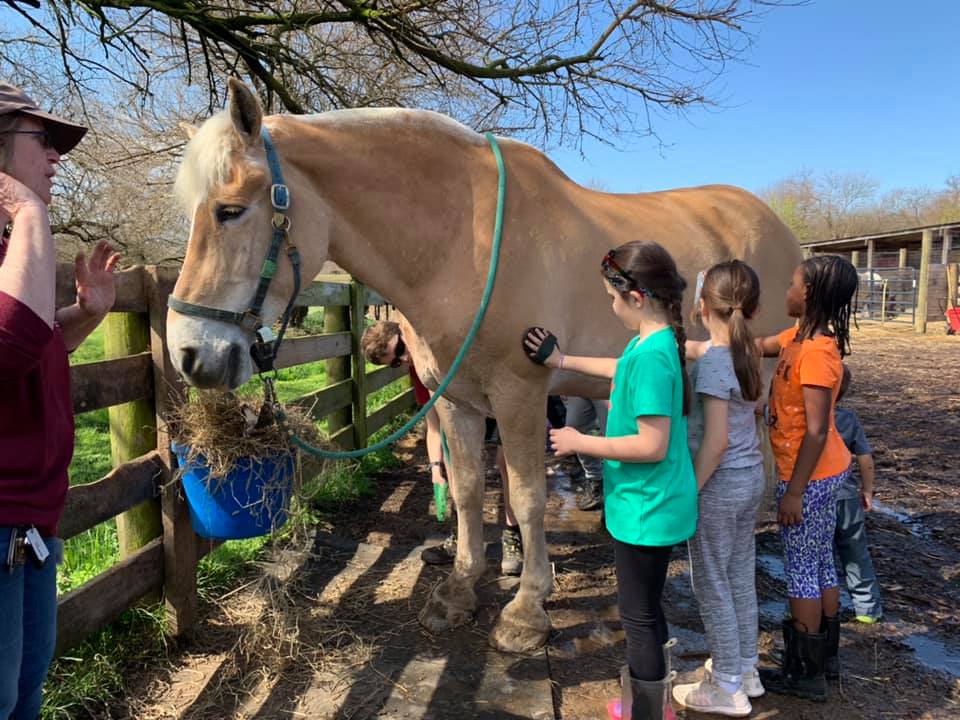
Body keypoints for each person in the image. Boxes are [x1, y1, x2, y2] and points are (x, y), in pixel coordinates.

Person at [524, 240, 697, 720]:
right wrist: (562, 362)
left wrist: (580, 441)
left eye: (612, 298)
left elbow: (651, 444)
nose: (611, 305)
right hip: (651, 502)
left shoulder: (653, 355)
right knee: (648, 609)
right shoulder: (653, 341)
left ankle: (648, 712)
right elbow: (620, 369)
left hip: (646, 507)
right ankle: (655, 704)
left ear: (636, 298)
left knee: (638, 617)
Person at [0, 82, 120, 720]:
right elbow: (10, 342)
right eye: (42, 139)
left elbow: (32, 347)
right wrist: (28, 211)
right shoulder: (21, 233)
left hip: (30, 523)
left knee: (24, 694)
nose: (55, 158)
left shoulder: (9, 251)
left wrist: (84, 315)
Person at [755, 254, 859, 702]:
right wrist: (718, 334)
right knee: (818, 562)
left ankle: (805, 672)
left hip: (809, 477)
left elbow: (816, 431)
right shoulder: (798, 338)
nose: (787, 291)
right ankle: (825, 657)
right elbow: (757, 345)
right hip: (823, 470)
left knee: (801, 569)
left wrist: (794, 492)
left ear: (809, 293)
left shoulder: (816, 353)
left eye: (792, 285)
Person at [671, 261, 766, 717]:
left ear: (702, 306)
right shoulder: (746, 355)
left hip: (719, 484)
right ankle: (746, 668)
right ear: (752, 309)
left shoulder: (713, 363)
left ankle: (726, 685)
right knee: (739, 576)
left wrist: (689, 489)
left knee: (711, 583)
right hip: (750, 479)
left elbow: (716, 441)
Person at [361, 317, 525, 575]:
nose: (403, 359)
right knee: (455, 465)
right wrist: (436, 468)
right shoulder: (419, 371)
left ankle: (512, 536)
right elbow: (434, 425)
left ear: (406, 334)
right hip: (465, 416)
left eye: (400, 349)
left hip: (496, 397)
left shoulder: (444, 345)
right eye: (394, 363)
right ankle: (462, 536)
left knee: (505, 463)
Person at [833, 364, 883, 630]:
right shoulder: (848, 419)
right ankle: (867, 609)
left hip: (814, 497)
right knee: (855, 552)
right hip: (848, 497)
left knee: (814, 556)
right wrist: (867, 490)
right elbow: (864, 458)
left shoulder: (801, 416)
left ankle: (808, 606)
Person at [565, 396, 608, 511]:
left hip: (607, 389)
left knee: (611, 430)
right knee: (574, 427)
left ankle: (614, 494)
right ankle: (595, 483)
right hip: (580, 389)